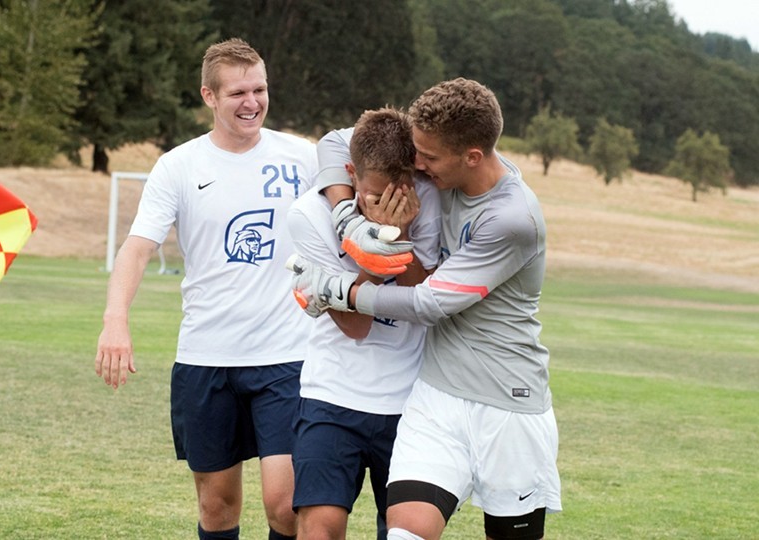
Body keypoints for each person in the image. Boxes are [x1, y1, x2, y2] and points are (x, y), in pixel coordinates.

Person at [289, 78, 561, 540]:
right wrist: (347, 217)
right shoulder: (442, 174)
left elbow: (430, 302)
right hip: (436, 394)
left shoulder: (512, 218)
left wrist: (337, 289)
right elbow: (338, 141)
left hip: (507, 402)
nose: (417, 165)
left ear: (471, 156)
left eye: (428, 158)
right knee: (406, 533)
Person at [94, 38, 317, 540]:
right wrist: (115, 320)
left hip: (287, 357)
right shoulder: (179, 165)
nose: (252, 102)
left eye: (259, 89)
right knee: (217, 506)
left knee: (286, 505)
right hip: (207, 357)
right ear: (209, 96)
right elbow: (135, 249)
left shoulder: (302, 158)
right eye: (238, 91)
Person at [287, 107, 441, 540]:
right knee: (321, 527)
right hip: (332, 395)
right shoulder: (309, 215)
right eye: (375, 195)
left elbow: (427, 301)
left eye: (400, 193)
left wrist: (402, 235)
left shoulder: (425, 204)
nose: (388, 206)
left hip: (411, 401)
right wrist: (374, 246)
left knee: (402, 531)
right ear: (351, 174)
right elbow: (355, 326)